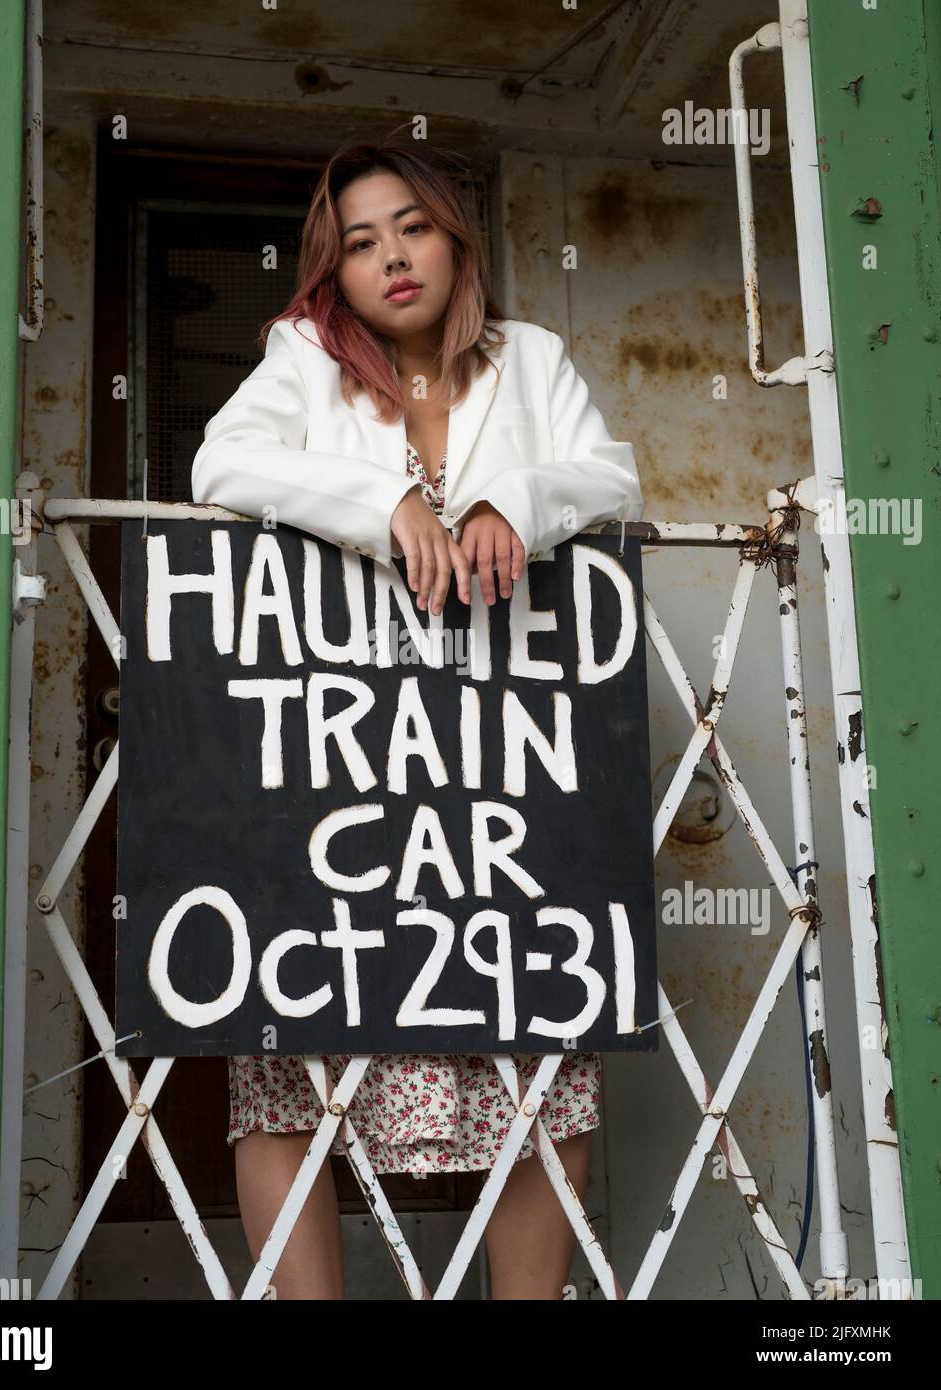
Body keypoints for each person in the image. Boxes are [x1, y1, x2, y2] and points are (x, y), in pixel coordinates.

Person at [190, 134, 644, 1299]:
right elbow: (220, 463)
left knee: (537, 1039)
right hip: (341, 751)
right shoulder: (301, 357)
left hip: (503, 759)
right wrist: (382, 500)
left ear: (454, 238)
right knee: (296, 1045)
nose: (390, 256)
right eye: (358, 242)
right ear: (328, 271)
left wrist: (512, 502)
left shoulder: (529, 359)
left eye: (412, 227)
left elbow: (611, 477)